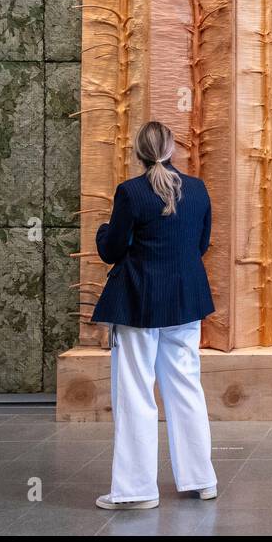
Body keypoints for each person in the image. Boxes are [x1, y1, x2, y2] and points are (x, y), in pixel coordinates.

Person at [91, 120, 219, 510]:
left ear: (138, 152)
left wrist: (102, 231)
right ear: (172, 149)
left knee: (135, 393)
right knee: (185, 387)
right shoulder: (197, 189)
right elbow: (201, 244)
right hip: (185, 299)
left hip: (138, 301)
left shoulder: (130, 192)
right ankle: (201, 480)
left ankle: (135, 491)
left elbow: (112, 250)